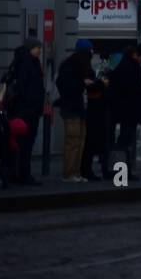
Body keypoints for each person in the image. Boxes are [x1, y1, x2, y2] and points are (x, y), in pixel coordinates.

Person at [1, 40, 44, 185]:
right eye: (38, 47)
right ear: (31, 48)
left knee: (20, 144)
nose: (40, 50)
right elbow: (25, 88)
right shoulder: (28, 64)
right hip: (26, 111)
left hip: (24, 111)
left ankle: (17, 173)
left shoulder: (24, 62)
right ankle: (23, 174)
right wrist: (32, 105)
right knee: (25, 145)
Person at [56, 39, 97, 183]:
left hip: (79, 108)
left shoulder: (79, 64)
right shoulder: (71, 65)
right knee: (73, 141)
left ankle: (76, 172)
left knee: (79, 141)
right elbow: (66, 85)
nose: (92, 53)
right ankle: (69, 173)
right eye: (90, 50)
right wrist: (83, 82)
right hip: (72, 108)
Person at [108, 43, 141, 180]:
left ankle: (119, 171)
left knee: (123, 140)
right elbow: (133, 89)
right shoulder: (132, 67)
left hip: (121, 109)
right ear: (137, 55)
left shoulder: (123, 64)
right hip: (128, 110)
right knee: (125, 141)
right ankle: (121, 173)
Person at [81, 58, 113, 181]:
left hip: (94, 115)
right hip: (97, 116)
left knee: (91, 144)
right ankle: (91, 170)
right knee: (94, 143)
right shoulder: (94, 84)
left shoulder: (91, 82)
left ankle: (87, 170)